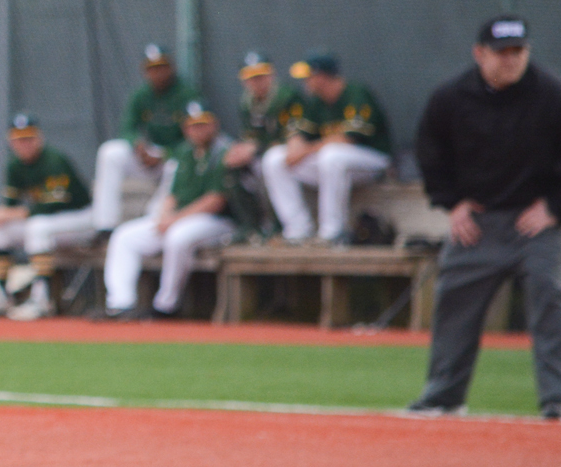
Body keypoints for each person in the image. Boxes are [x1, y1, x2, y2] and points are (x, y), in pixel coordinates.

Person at [408, 16, 561, 421]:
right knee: (455, 302)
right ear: (480, 54)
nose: (511, 60)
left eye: (519, 52)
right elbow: (429, 154)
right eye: (502, 53)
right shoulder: (452, 97)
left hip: (533, 225)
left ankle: (557, 399)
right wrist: (453, 203)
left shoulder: (550, 95)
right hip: (477, 222)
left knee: (548, 293)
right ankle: (444, 395)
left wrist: (554, 208)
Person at [99, 101, 238, 320]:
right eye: (193, 125)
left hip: (220, 222)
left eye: (203, 124)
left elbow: (216, 200)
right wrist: (164, 216)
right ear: (185, 128)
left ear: (214, 125)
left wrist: (173, 220)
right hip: (182, 218)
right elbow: (172, 195)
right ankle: (120, 303)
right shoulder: (184, 152)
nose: (198, 130)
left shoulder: (224, 151)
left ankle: (166, 305)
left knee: (177, 236)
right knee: (124, 236)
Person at [261, 51, 392, 244]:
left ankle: (331, 232)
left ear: (323, 76)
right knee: (274, 158)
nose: (305, 82)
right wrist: (294, 145)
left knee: (332, 155)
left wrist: (304, 151)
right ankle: (297, 229)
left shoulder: (356, 93)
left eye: (309, 77)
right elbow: (300, 132)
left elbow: (349, 139)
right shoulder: (315, 102)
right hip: (333, 164)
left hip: (373, 161)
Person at [0, 113, 93, 320]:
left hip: (81, 219)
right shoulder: (14, 166)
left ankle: (42, 300)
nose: (24, 144)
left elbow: (51, 206)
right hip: (51, 222)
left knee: (38, 226)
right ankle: (2, 296)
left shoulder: (54, 160)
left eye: (29, 138)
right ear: (11, 141)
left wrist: (5, 214)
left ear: (39, 138)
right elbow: (11, 205)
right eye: (19, 139)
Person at [93, 44, 201, 231]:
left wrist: (165, 154)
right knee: (110, 152)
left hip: (175, 156)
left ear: (171, 68)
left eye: (161, 67)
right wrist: (137, 144)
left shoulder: (186, 94)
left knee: (175, 165)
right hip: (150, 153)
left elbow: (196, 139)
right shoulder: (141, 95)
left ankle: (153, 222)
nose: (157, 73)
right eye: (152, 69)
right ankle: (105, 225)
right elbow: (127, 128)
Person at [223, 51, 303, 239]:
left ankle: (277, 225)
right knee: (230, 164)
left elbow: (295, 138)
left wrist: (256, 148)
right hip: (262, 152)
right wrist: (241, 150)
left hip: (288, 153)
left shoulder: (286, 96)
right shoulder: (247, 102)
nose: (257, 82)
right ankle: (251, 226)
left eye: (261, 76)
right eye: (251, 78)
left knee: (268, 163)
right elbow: (250, 136)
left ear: (271, 74)